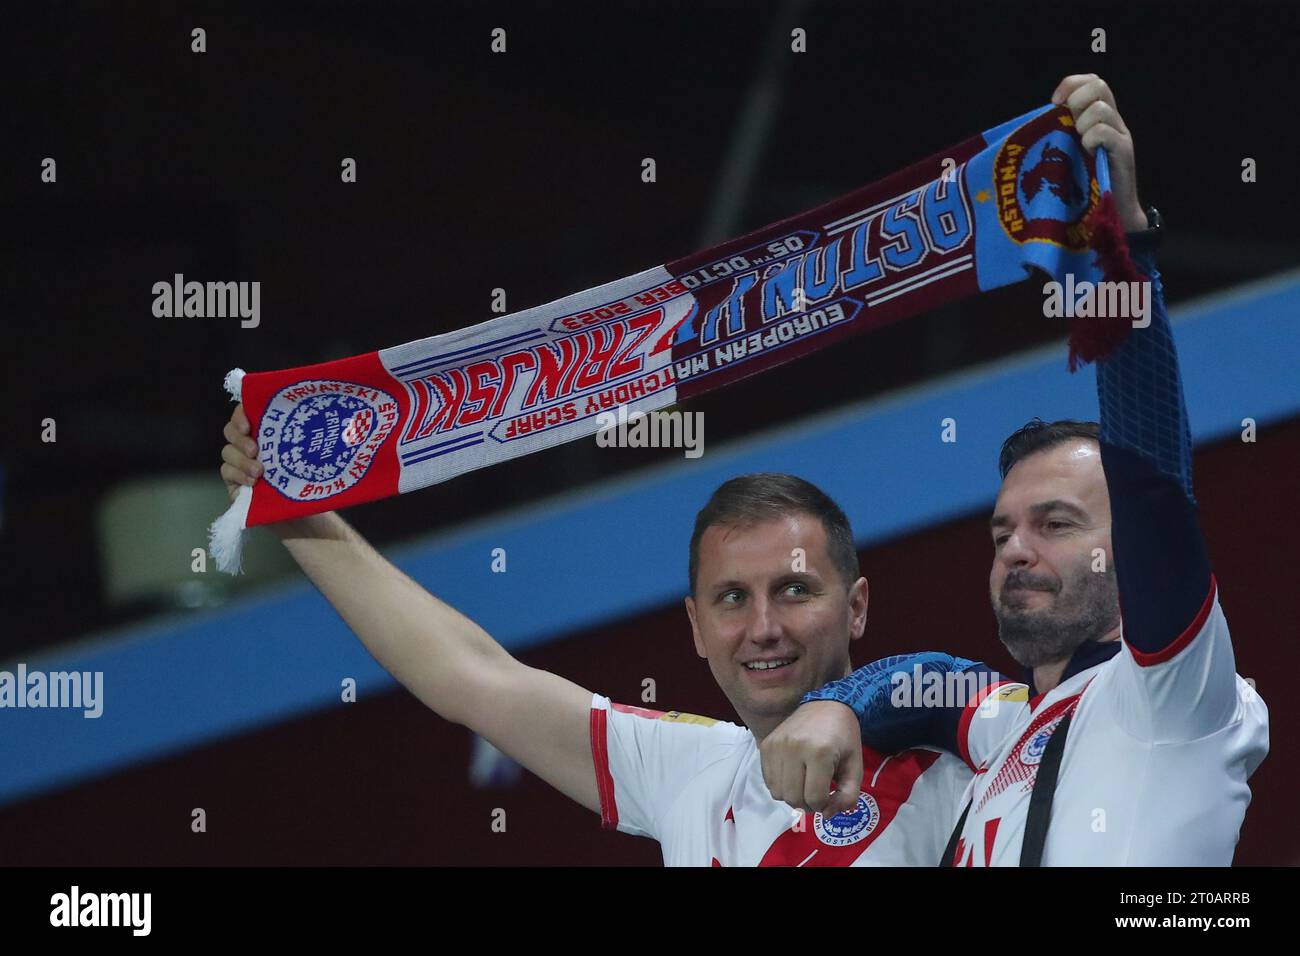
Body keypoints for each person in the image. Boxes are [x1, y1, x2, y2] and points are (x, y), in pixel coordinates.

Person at [758, 73, 1269, 865]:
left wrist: (1121, 250)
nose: (1015, 550)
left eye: (1055, 523)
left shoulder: (1171, 694)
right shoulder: (1006, 719)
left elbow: (1152, 481)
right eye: (1003, 532)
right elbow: (918, 681)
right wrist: (835, 705)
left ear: (1126, 549)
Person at [219, 412, 970, 863]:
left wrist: (846, 703)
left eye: (796, 590)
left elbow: (1021, 696)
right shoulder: (692, 772)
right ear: (696, 629)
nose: (764, 627)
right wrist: (298, 516)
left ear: (858, 605)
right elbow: (468, 674)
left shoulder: (953, 757)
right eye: (732, 599)